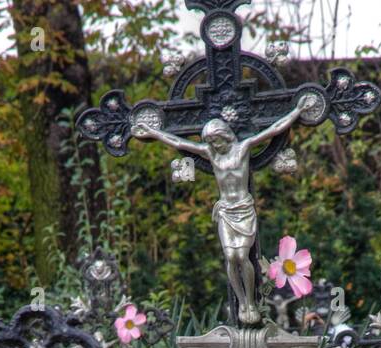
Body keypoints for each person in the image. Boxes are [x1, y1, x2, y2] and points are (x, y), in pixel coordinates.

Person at [133, 93, 321, 325]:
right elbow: (180, 143)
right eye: (211, 143)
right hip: (224, 210)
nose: (215, 146)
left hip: (243, 209)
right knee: (230, 257)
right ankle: (243, 302)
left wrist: (296, 112)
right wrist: (153, 133)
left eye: (217, 141)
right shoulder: (211, 154)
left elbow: (273, 130)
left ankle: (251, 302)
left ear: (226, 136)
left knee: (242, 256)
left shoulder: (243, 149)